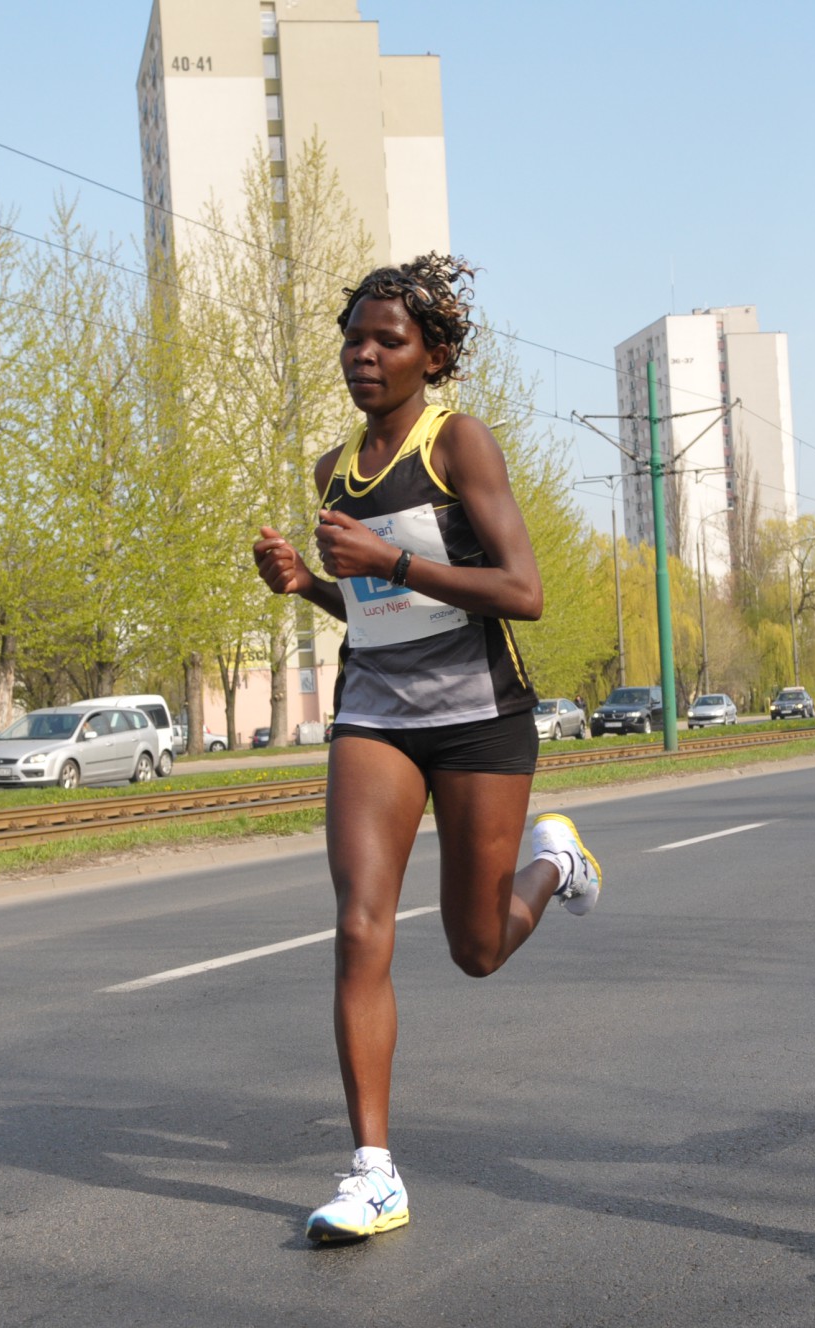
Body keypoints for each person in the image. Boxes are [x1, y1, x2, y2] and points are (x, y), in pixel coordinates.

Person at [250, 255, 603, 1244]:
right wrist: (304, 585)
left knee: (476, 947)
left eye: (385, 340)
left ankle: (554, 857)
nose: (362, 355)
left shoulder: (461, 448)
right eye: (352, 339)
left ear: (432, 356)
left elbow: (522, 589)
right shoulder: (333, 470)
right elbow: (375, 613)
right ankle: (373, 1170)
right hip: (376, 709)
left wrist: (392, 555)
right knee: (361, 920)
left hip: (477, 712)